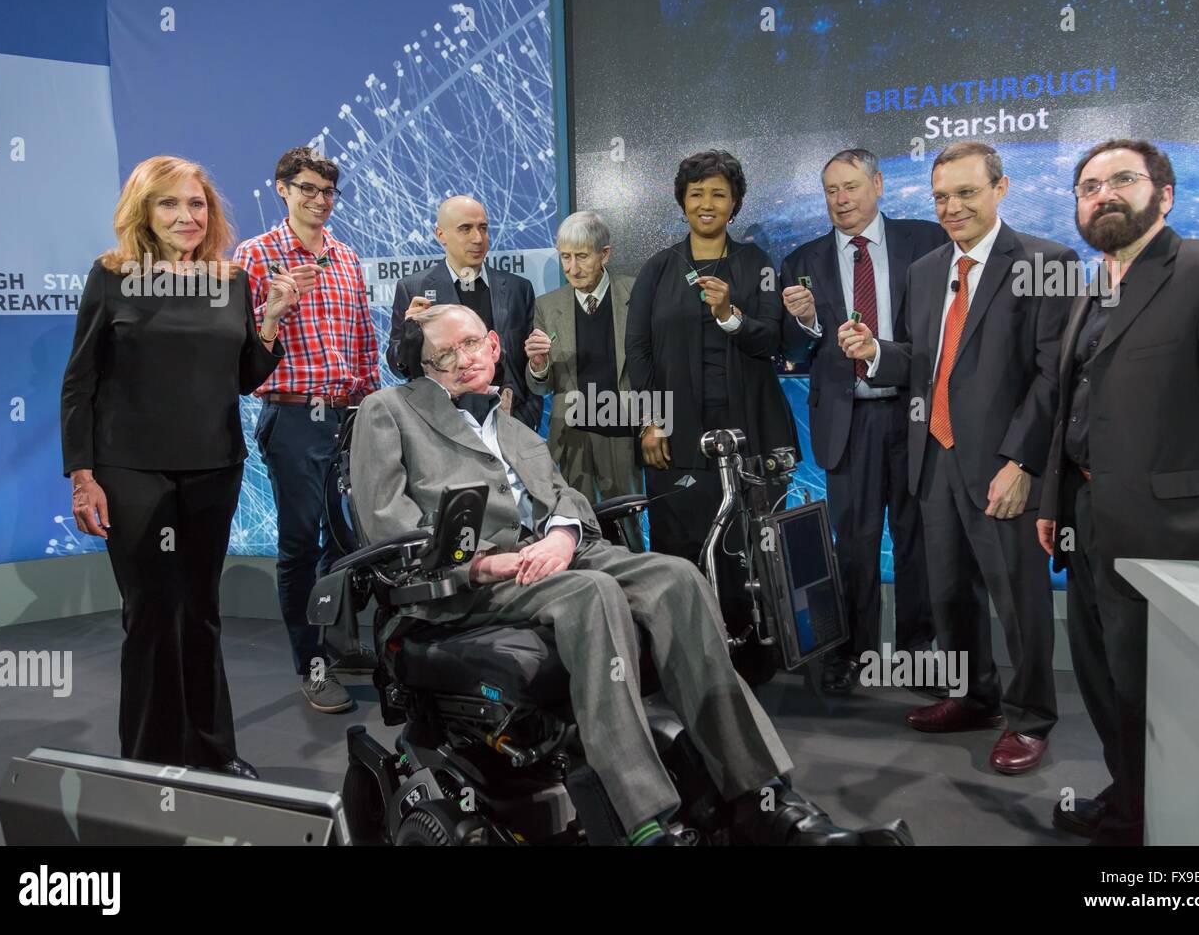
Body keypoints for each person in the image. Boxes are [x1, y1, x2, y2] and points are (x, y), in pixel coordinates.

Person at [350, 302, 888, 845]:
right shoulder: (389, 410)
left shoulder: (510, 426)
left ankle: (762, 797)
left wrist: (562, 535)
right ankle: (642, 819)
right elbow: (388, 526)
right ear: (423, 366)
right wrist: (486, 562)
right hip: (471, 579)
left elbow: (565, 497)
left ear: (492, 344)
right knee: (593, 592)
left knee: (677, 579)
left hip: (555, 556)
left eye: (469, 345)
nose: (462, 361)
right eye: (443, 355)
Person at [1037, 138, 1199, 844]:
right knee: (1107, 683)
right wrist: (1053, 503)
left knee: (1168, 696)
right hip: (1087, 522)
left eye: (1121, 180)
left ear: (1164, 194)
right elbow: (1068, 405)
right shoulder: (1090, 288)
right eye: (1087, 186)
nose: (1102, 194)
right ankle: (1132, 804)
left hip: (1183, 531)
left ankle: (1175, 826)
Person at [60, 155, 295, 778]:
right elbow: (79, 382)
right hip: (130, 472)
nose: (187, 216)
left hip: (214, 469)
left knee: (201, 610)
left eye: (196, 204)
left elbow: (245, 378)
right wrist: (82, 477)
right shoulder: (111, 278)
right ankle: (147, 758)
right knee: (151, 614)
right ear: (144, 212)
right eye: (170, 204)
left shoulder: (232, 280)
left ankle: (214, 753)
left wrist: (270, 321)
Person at [841, 141, 1072, 774]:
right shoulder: (925, 269)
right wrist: (873, 352)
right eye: (941, 196)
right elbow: (921, 362)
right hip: (934, 458)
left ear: (1001, 189)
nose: (952, 207)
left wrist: (1021, 464)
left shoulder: (1046, 262)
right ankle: (974, 697)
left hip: (1002, 466)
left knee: (1018, 600)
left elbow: (1054, 377)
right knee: (949, 593)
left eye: (967, 192)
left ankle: (1030, 719)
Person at [625, 150, 798, 682]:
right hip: (676, 436)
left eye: (718, 193)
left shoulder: (758, 264)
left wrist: (729, 315)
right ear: (682, 202)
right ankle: (681, 659)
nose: (707, 203)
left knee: (747, 546)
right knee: (679, 547)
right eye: (697, 193)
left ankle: (750, 659)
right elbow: (638, 352)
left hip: (752, 433)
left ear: (735, 203)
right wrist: (649, 422)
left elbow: (775, 338)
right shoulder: (657, 269)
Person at [780, 149, 947, 695]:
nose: (841, 200)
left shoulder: (925, 241)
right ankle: (853, 654)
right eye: (830, 190)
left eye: (850, 187)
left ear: (878, 184)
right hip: (846, 421)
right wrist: (805, 322)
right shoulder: (801, 260)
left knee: (915, 538)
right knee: (852, 544)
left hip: (914, 415)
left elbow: (941, 331)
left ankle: (919, 652)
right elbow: (791, 351)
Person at [234, 147, 381, 714]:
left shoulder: (345, 256)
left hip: (349, 416)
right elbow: (244, 348)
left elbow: (364, 339)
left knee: (344, 543)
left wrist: (370, 404)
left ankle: (338, 645)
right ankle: (312, 665)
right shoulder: (256, 255)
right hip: (294, 415)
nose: (320, 201)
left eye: (328, 192)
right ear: (281, 189)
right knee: (300, 544)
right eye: (308, 189)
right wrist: (275, 308)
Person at [524, 210, 643, 548]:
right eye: (565, 257)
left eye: (581, 256)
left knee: (627, 525)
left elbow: (654, 369)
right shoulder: (548, 305)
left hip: (622, 430)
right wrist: (538, 363)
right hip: (571, 435)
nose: (572, 268)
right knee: (576, 527)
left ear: (605, 254)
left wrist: (653, 423)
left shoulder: (634, 295)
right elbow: (540, 385)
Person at [386, 195, 542, 430]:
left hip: (510, 423)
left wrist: (525, 418)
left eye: (483, 228)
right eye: (465, 229)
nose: (478, 238)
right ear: (441, 235)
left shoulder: (518, 289)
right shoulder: (413, 289)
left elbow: (531, 364)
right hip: (443, 426)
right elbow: (399, 367)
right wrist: (410, 336)